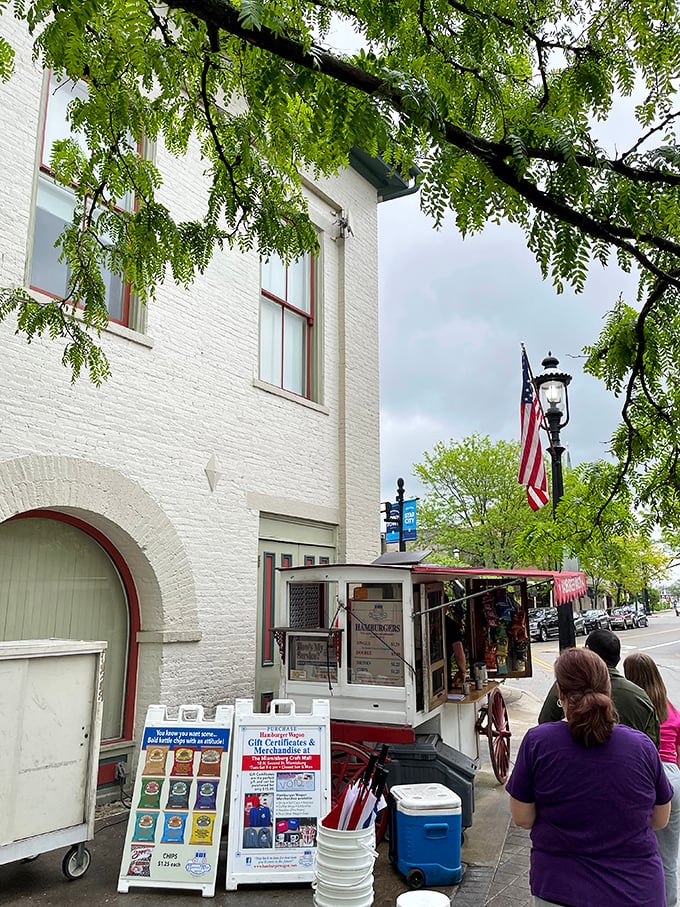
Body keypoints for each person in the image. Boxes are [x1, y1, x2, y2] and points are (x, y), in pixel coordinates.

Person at [507, 646, 672, 906]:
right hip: (637, 890)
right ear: (609, 690)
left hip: (560, 889)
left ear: (560, 693)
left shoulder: (538, 742)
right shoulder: (641, 746)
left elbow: (522, 817)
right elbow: (660, 818)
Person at [538, 628, 660, 747]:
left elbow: (544, 723)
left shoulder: (568, 685)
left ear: (589, 652)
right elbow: (653, 745)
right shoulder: (640, 696)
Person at [624, 652, 680, 907]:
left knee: (638, 852)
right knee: (668, 857)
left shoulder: (634, 704)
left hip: (648, 776)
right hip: (673, 777)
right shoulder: (670, 707)